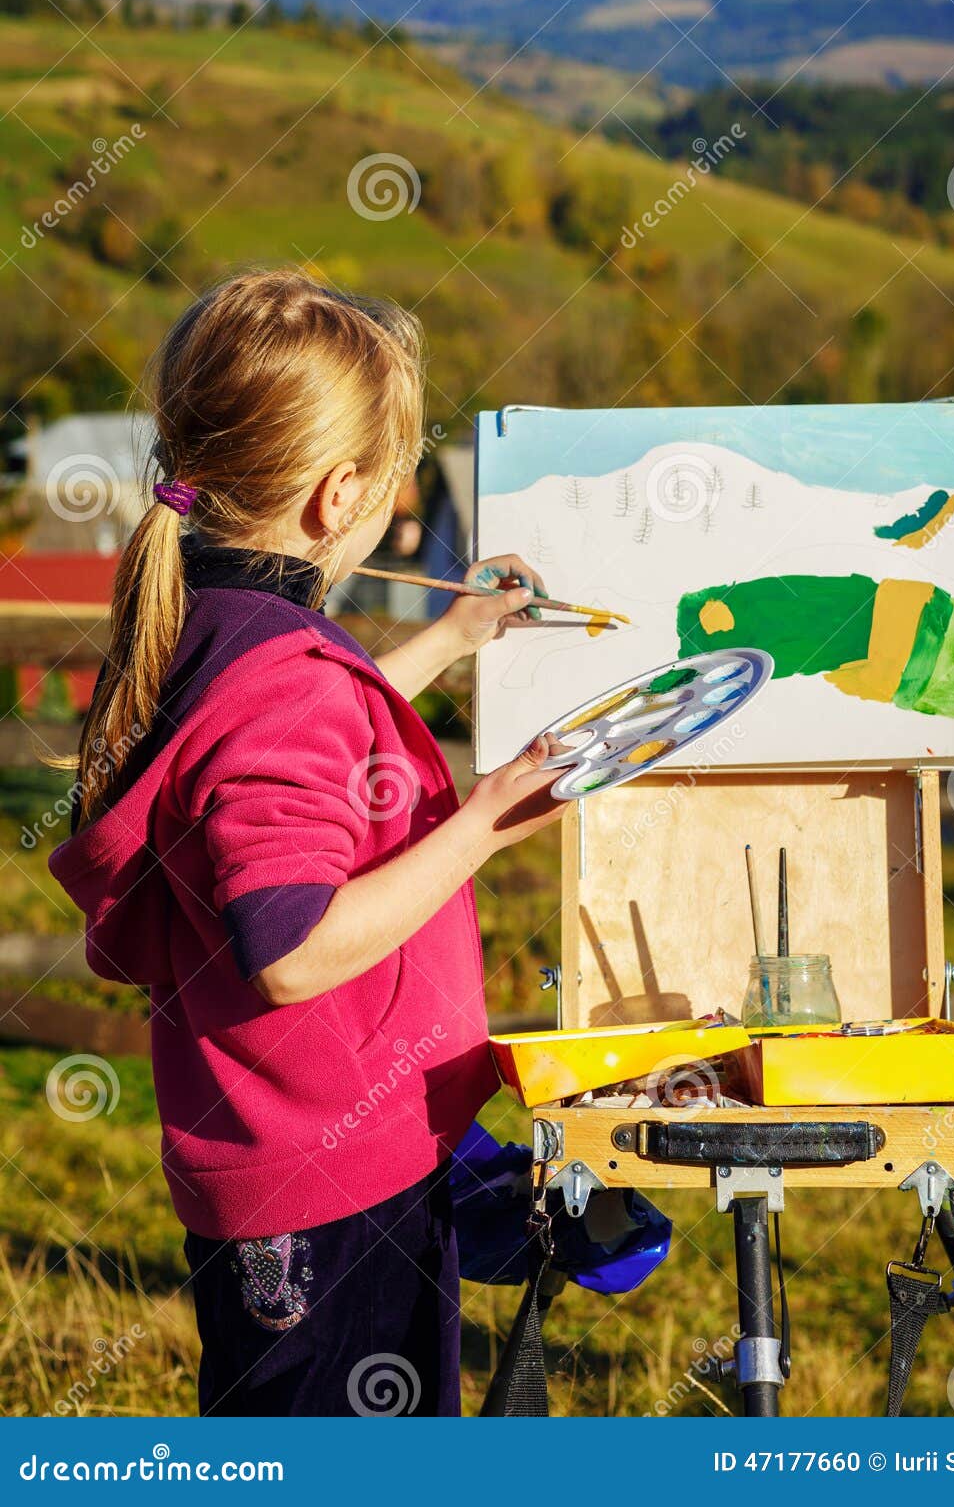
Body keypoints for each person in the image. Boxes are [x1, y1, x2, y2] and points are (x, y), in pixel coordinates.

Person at [50, 269, 567, 1416]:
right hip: (333, 1187)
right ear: (340, 499)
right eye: (394, 480)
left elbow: (283, 764)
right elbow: (287, 947)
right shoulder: (281, 673)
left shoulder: (214, 628)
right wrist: (482, 821)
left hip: (289, 1156)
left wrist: (450, 637)